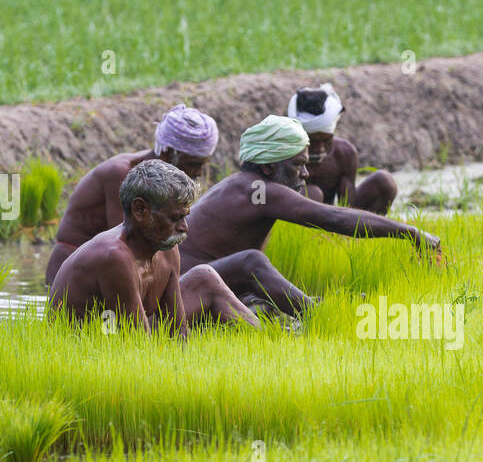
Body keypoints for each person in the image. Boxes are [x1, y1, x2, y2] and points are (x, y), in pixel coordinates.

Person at [178, 115, 440, 317]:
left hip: (192, 287)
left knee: (262, 304)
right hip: (182, 290)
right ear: (269, 166)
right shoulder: (258, 189)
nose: (305, 173)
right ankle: (319, 311)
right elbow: (334, 218)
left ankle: (302, 309)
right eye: (297, 165)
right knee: (252, 261)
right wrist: (410, 232)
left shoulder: (242, 185)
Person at [49, 160, 258, 333]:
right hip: (96, 344)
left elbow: (176, 331)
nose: (184, 227)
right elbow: (137, 344)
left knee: (205, 276)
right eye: (174, 218)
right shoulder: (113, 256)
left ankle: (267, 344)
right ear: (140, 210)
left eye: (185, 217)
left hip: (122, 332)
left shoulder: (167, 249)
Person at [44, 105, 219, 286]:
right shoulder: (123, 175)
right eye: (192, 164)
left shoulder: (162, 185)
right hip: (74, 275)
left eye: (203, 165)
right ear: (167, 153)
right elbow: (130, 242)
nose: (198, 172)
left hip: (108, 269)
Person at [287, 84, 397, 214]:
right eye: (312, 142)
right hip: (294, 214)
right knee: (313, 193)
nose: (319, 148)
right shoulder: (286, 154)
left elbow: (348, 205)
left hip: (334, 216)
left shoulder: (344, 153)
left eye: (326, 140)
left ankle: (373, 231)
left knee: (385, 181)